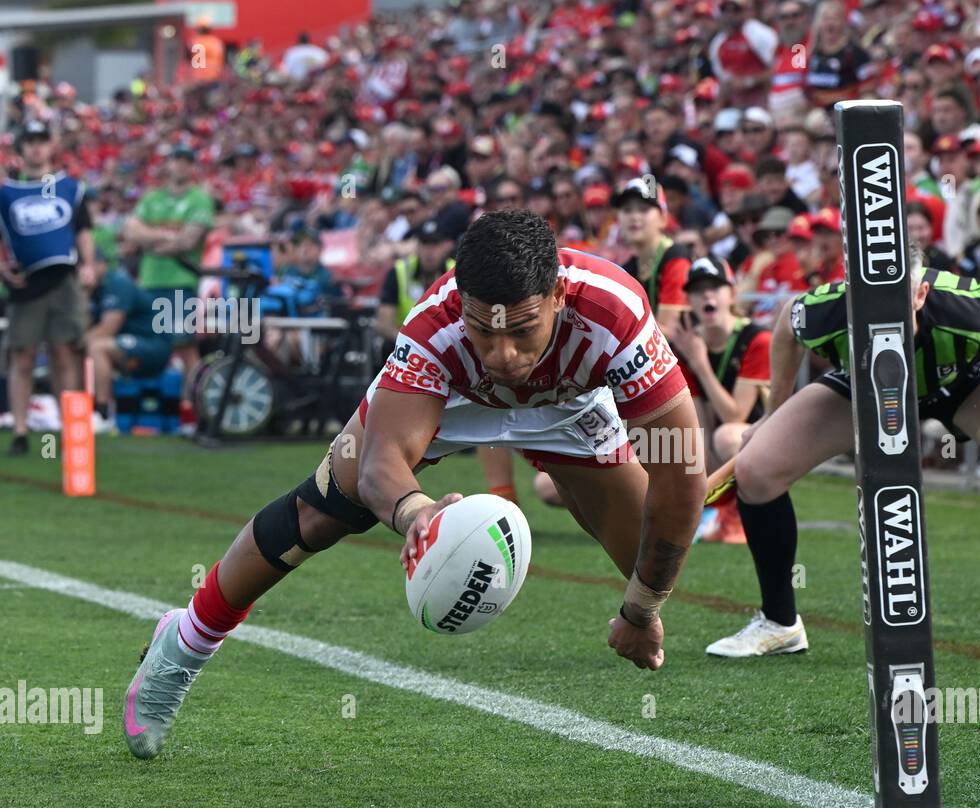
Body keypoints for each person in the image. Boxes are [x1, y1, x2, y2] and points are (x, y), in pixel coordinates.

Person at [123, 211, 706, 760]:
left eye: (522, 331)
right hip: (455, 399)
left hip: (568, 404)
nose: (503, 355)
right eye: (484, 331)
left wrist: (640, 610)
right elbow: (382, 463)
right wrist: (416, 513)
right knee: (324, 510)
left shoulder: (616, 313)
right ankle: (185, 643)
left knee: (647, 562)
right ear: (463, 306)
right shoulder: (436, 323)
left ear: (557, 295)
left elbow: (680, 482)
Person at [705, 255, 980, 666]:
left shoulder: (965, 306)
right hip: (867, 381)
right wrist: (774, 411)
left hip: (965, 379)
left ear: (920, 295)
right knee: (756, 469)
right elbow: (787, 320)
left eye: (894, 299)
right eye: (868, 300)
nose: (880, 311)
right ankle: (780, 623)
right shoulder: (834, 305)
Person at [0, 121, 95, 454]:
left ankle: (68, 429)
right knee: (21, 355)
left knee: (64, 353)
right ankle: (22, 431)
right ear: (20, 148)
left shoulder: (69, 187)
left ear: (50, 146)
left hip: (64, 279)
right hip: (26, 283)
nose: (36, 148)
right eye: (30, 141)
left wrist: (88, 265)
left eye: (42, 141)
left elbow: (82, 230)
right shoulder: (6, 192)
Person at [674, 256, 772, 543]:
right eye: (698, 289)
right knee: (670, 443)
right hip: (720, 446)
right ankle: (704, 512)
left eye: (715, 287)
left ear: (732, 293)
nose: (707, 295)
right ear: (689, 300)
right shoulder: (687, 344)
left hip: (763, 443)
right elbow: (695, 421)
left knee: (728, 436)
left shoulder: (755, 339)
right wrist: (693, 479)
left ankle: (740, 519)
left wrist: (701, 363)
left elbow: (735, 415)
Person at [121, 145, 215, 374]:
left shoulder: (200, 199)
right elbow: (130, 231)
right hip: (150, 282)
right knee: (153, 345)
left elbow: (188, 242)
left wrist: (149, 242)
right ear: (168, 163)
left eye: (186, 160)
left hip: (181, 282)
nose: (181, 165)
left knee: (184, 345)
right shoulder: (152, 198)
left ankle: (194, 402)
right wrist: (166, 236)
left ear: (193, 167)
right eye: (176, 159)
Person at [85, 252, 173, 417]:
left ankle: (102, 411)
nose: (82, 272)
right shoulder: (92, 290)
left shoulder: (118, 283)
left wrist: (76, 343)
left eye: (87, 265)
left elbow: (107, 329)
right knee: (79, 348)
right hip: (128, 344)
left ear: (101, 264)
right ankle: (75, 409)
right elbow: (84, 327)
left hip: (154, 346)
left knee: (97, 347)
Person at [615, 177, 692, 339]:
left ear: (663, 218)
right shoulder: (627, 269)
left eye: (643, 209)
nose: (634, 217)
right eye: (627, 210)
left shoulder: (676, 259)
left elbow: (670, 334)